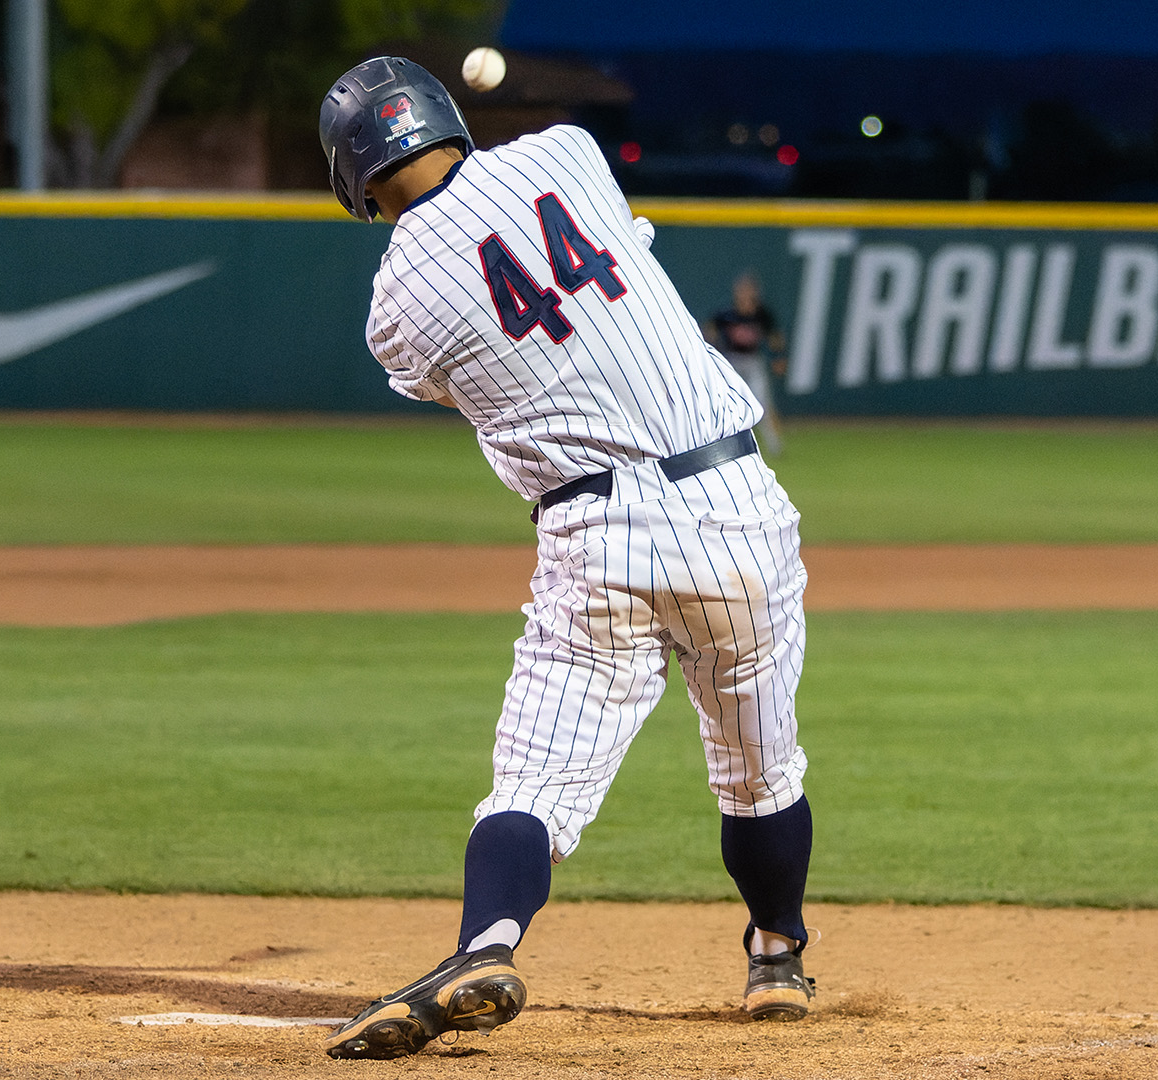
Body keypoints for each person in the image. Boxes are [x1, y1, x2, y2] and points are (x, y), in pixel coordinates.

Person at [316, 58, 818, 1060]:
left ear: (356, 176)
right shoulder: (569, 153)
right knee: (759, 769)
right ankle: (776, 955)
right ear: (447, 120)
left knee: (534, 789)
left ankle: (486, 943)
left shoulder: (392, 309)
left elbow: (472, 376)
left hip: (594, 535)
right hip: (734, 503)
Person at [704, 271, 786, 456]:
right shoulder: (727, 314)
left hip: (753, 361)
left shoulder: (761, 314)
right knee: (724, 403)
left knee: (764, 403)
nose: (745, 293)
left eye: (749, 290)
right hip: (731, 361)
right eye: (742, 290)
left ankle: (775, 446)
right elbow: (709, 332)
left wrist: (778, 356)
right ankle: (720, 444)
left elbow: (775, 337)